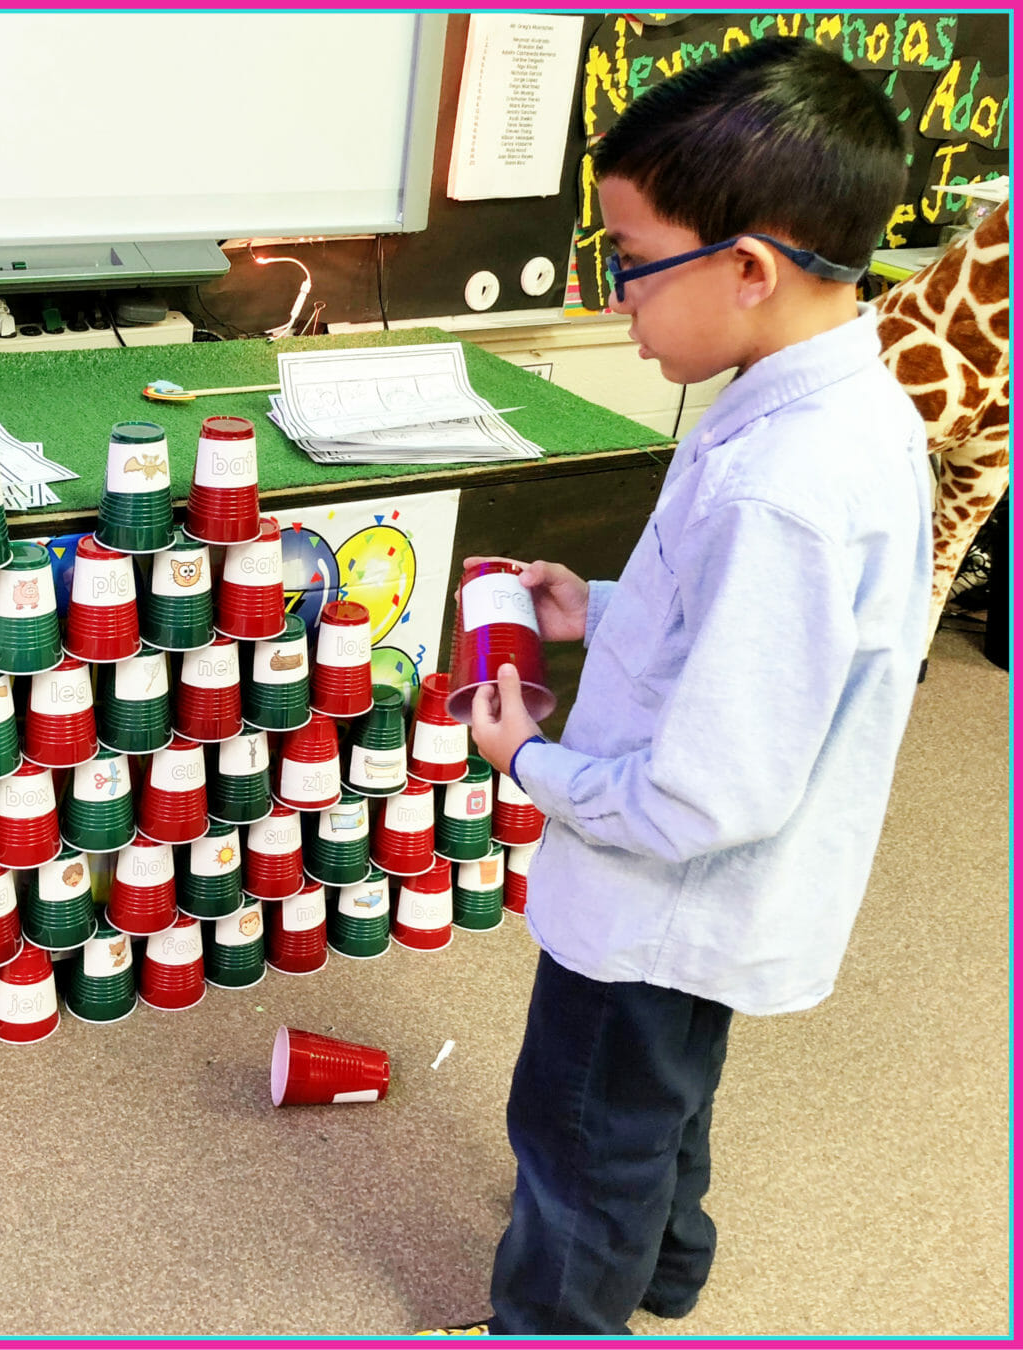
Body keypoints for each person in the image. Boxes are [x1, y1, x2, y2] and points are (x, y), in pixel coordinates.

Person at [433, 37, 930, 1335]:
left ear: (750, 269)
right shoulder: (820, 405)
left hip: (661, 896)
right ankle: (665, 1269)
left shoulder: (784, 487)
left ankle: (561, 1317)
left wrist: (523, 761)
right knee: (663, 1097)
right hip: (708, 910)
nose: (615, 300)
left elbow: (705, 794)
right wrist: (589, 606)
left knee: (579, 1129)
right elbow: (738, 639)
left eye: (629, 264)